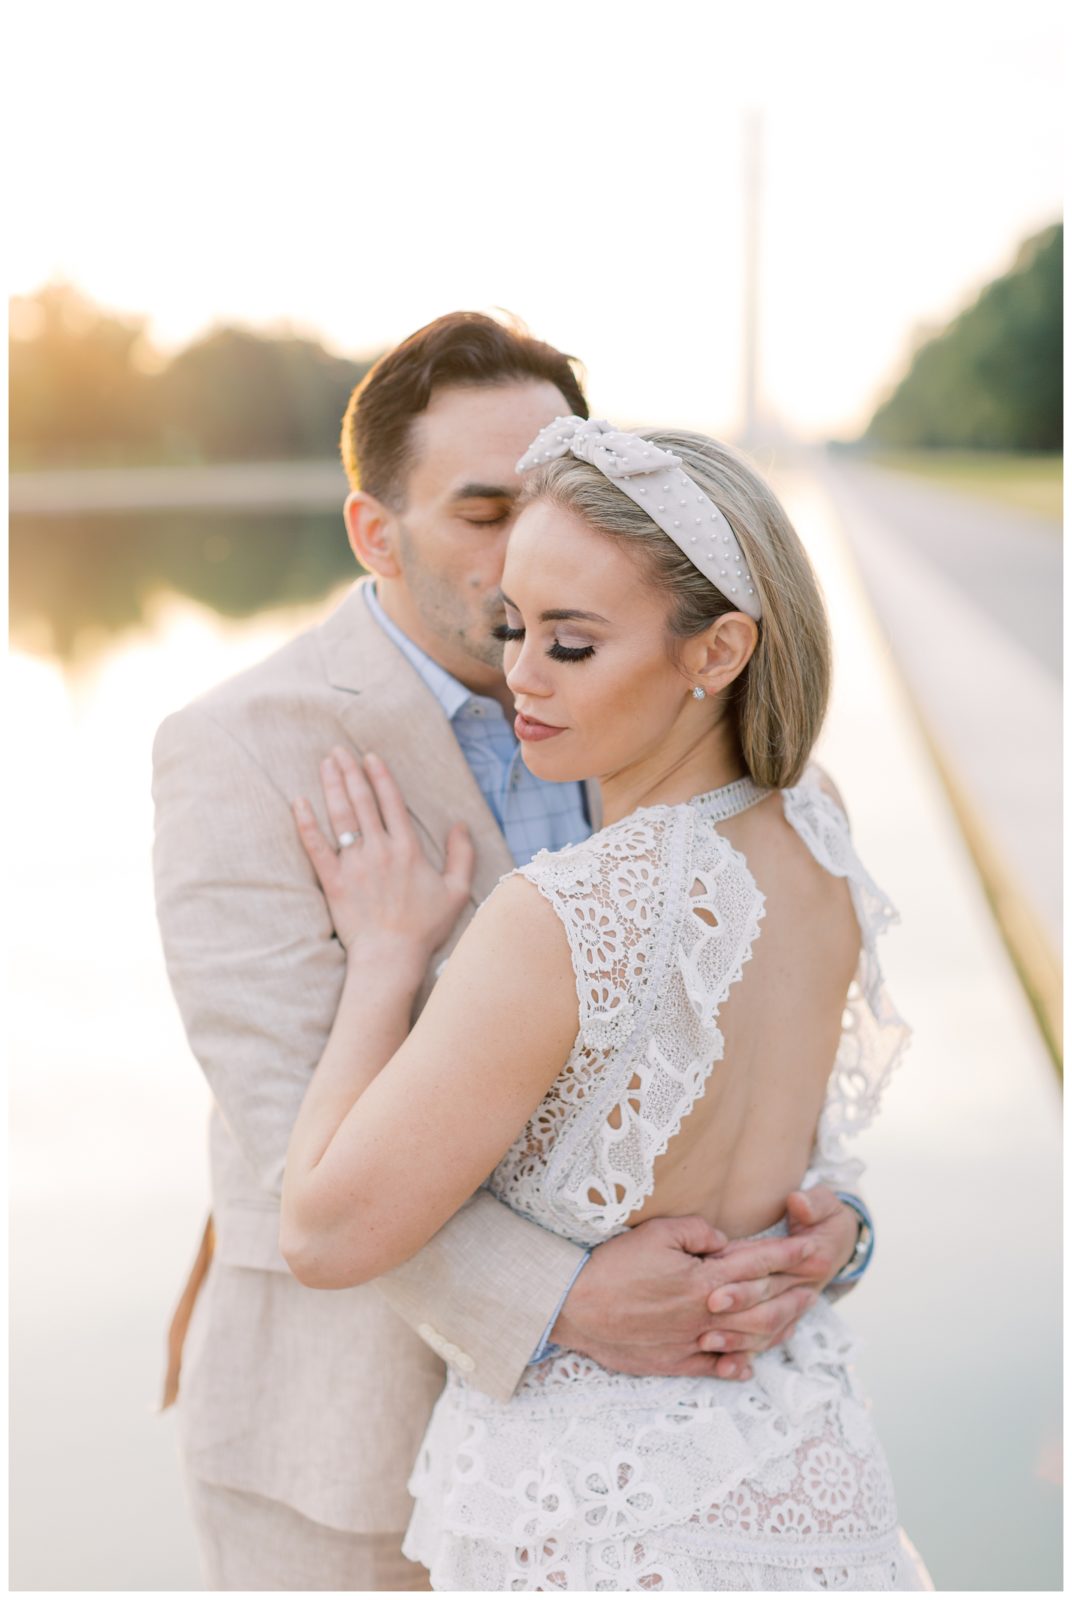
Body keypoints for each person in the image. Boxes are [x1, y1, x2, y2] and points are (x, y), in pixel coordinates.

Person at [153, 316, 870, 1592]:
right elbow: (290, 1148)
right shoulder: (236, 747)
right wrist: (562, 1300)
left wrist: (828, 1231)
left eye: (550, 497)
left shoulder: (711, 759)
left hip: (670, 1467)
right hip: (346, 1458)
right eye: (486, 513)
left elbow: (746, 1073)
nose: (519, 565)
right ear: (377, 531)